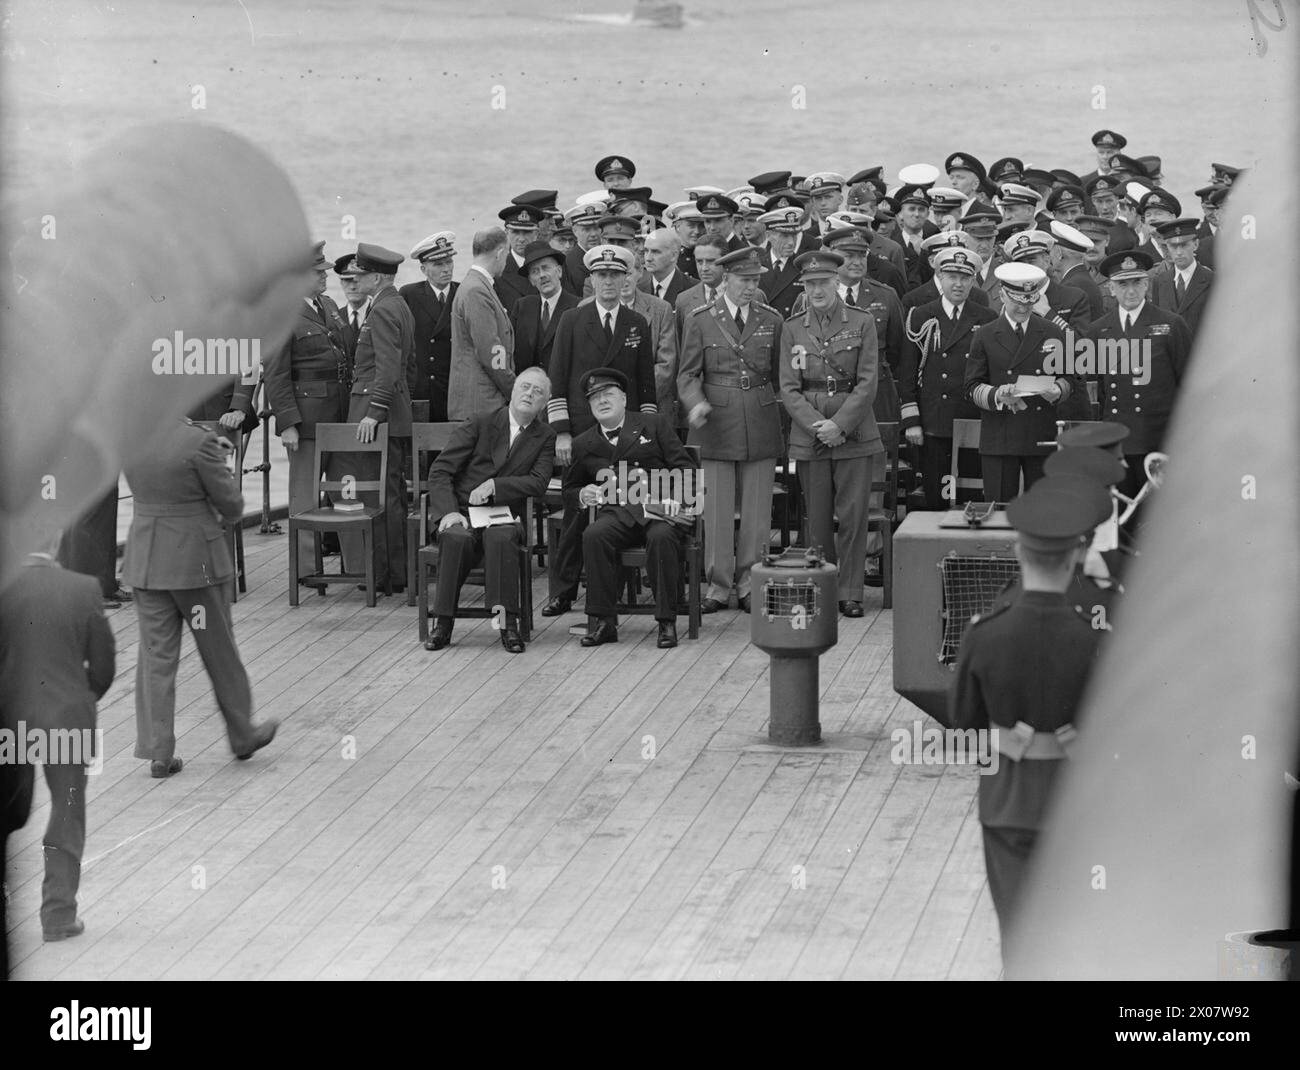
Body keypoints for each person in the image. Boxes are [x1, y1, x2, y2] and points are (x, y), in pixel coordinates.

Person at [949, 477, 1107, 976]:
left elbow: (963, 719)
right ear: (1073, 559)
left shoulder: (985, 634)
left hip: (1008, 800)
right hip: (1073, 801)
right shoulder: (1093, 641)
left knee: (1016, 930)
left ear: (1020, 552)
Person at [121, 419, 278, 778]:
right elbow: (232, 504)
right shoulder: (198, 441)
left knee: (156, 656)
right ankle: (242, 736)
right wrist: (219, 464)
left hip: (147, 559)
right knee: (219, 651)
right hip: (195, 566)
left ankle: (158, 751)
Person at [0, 530, 115, 943]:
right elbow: (103, 668)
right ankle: (58, 914)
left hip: (11, 722)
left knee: (7, 814)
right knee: (67, 812)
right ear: (57, 543)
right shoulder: (83, 588)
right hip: (66, 720)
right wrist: (77, 697)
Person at [542, 244, 658, 618]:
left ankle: (621, 587)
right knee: (578, 507)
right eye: (601, 275)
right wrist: (561, 432)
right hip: (582, 435)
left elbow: (645, 388)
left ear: (627, 279)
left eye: (615, 275)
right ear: (590, 280)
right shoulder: (573, 321)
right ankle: (563, 590)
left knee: (624, 506)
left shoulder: (637, 324)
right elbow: (557, 380)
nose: (608, 282)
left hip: (625, 437)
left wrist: (646, 435)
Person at [677, 246, 783, 614]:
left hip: (759, 416)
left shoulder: (772, 319)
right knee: (717, 508)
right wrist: (695, 403)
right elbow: (688, 373)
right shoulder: (700, 318)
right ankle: (718, 585)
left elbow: (781, 374)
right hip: (716, 422)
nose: (751, 287)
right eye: (744, 280)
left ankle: (751, 583)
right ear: (726, 280)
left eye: (755, 280)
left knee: (757, 508)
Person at [778, 249, 882, 617]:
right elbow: (789, 388)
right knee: (817, 516)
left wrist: (840, 425)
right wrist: (817, 427)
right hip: (811, 433)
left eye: (823, 282)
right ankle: (822, 585)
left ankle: (850, 591)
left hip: (853, 430)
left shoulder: (862, 321)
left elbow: (869, 381)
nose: (817, 290)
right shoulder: (792, 328)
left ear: (836, 281)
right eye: (810, 284)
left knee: (854, 516)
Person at [424, 368, 556, 655]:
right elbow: (440, 471)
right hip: (463, 512)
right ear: (512, 391)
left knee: (501, 537)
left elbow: (538, 482)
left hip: (505, 515)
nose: (529, 393)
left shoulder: (545, 436)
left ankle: (506, 624)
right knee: (455, 537)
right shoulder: (481, 423)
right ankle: (443, 623)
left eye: (537, 391)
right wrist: (447, 512)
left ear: (545, 403)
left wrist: (497, 485)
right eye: (524, 387)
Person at [565, 369, 697, 649]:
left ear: (623, 398)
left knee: (661, 538)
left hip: (659, 509)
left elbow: (686, 468)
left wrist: (677, 501)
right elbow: (570, 487)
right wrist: (582, 493)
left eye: (608, 394)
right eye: (595, 398)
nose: (602, 401)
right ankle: (604, 622)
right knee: (593, 535)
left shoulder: (654, 424)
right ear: (589, 406)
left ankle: (666, 621)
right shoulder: (583, 443)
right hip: (618, 513)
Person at [264, 240, 354, 581]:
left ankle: (358, 568)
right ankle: (305, 570)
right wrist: (287, 423)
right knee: (304, 497)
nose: (325, 278)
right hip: (307, 423)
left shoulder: (328, 305)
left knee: (347, 492)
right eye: (318, 273)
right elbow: (275, 374)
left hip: (341, 418)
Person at [964, 263, 1081, 501]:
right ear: (1002, 295)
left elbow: (1071, 377)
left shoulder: (1051, 332)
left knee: (1042, 509)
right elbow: (971, 386)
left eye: (1029, 301)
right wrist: (997, 394)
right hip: (1000, 434)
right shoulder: (985, 334)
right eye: (1017, 300)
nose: (1023, 307)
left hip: (1040, 431)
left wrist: (1058, 390)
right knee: (998, 510)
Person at [1085, 249, 1192, 500]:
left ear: (1147, 284)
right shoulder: (1098, 330)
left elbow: (1187, 384)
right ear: (1111, 288)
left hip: (1158, 439)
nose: (1130, 291)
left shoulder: (1170, 325)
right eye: (1122, 284)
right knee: (1121, 514)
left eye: (1136, 283)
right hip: (1117, 439)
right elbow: (1098, 387)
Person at [899, 246, 998, 509]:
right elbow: (908, 372)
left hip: (972, 416)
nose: (958, 284)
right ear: (940, 278)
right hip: (934, 418)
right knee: (937, 492)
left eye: (965, 278)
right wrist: (912, 421)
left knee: (971, 492)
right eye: (952, 277)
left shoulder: (987, 317)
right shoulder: (920, 315)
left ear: (973, 280)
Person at [346, 242, 416, 593]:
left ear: (377, 276)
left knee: (383, 497)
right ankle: (393, 572)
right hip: (393, 414)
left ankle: (389, 575)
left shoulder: (384, 310)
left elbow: (387, 369)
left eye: (363, 274)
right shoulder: (395, 304)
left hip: (380, 418)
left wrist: (374, 413)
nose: (358, 279)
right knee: (390, 495)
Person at [448, 227, 515, 420]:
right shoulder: (476, 290)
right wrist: (514, 390)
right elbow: (490, 352)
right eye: (506, 254)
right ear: (500, 252)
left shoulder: (474, 285)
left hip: (479, 406)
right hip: (482, 406)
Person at [400, 231, 459, 421]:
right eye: (438, 264)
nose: (446, 269)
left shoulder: (464, 292)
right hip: (422, 389)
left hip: (454, 387)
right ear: (424, 269)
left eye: (449, 262)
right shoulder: (410, 295)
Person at [510, 241, 577, 374]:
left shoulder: (577, 306)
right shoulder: (522, 306)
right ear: (531, 280)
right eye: (535, 271)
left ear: (559, 271)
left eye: (546, 268)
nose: (542, 275)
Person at [1149, 217, 1215, 340]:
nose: (1179, 252)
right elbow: (1157, 325)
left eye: (1184, 245)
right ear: (1167, 247)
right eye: (1173, 246)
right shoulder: (1160, 281)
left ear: (1195, 244)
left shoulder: (1212, 280)